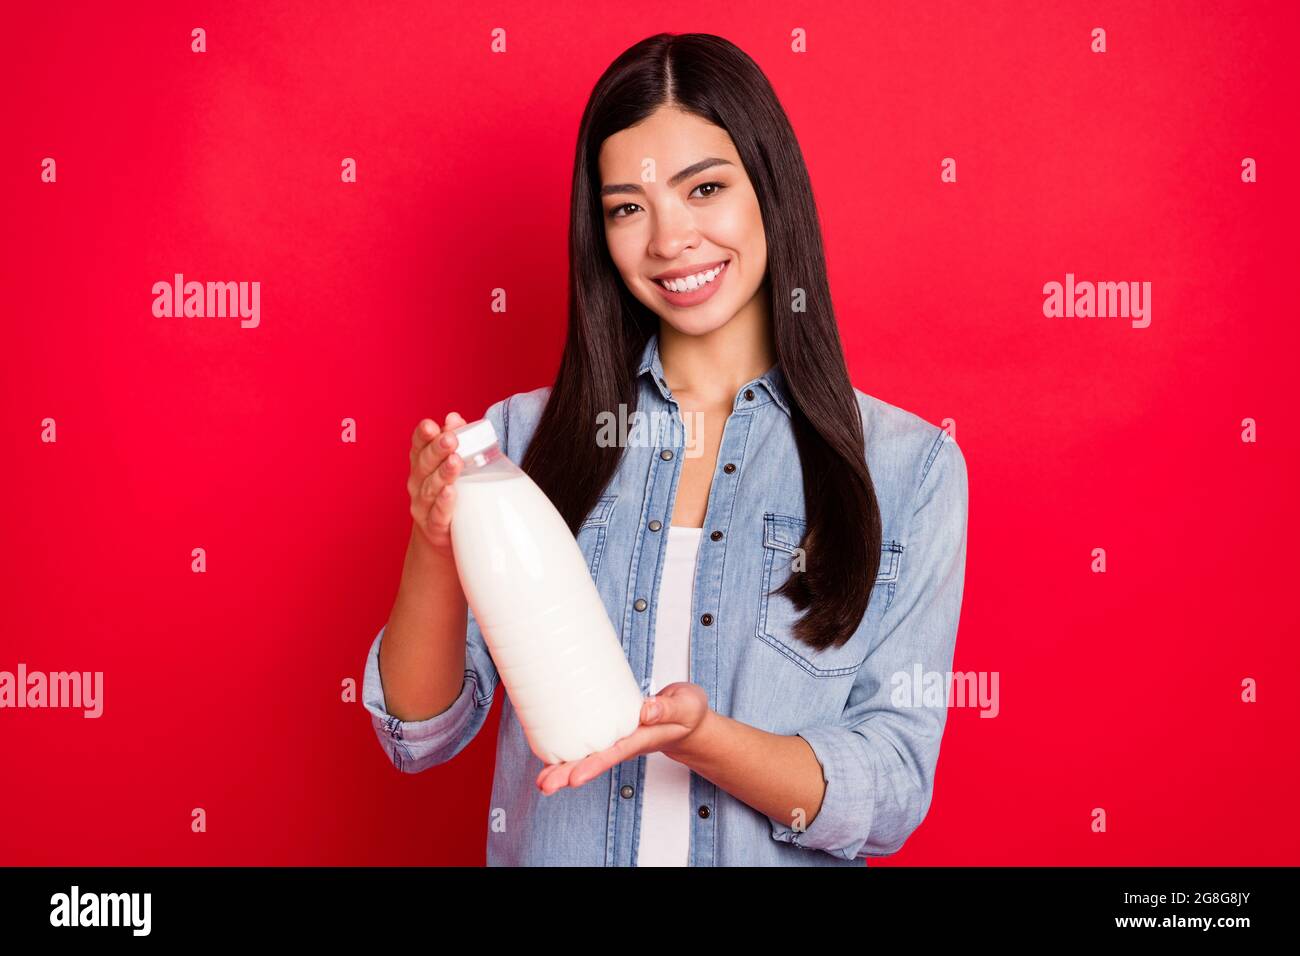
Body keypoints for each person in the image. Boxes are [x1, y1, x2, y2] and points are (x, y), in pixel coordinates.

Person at [362, 32, 969, 866]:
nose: (668, 240)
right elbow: (419, 735)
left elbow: (892, 788)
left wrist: (703, 739)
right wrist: (433, 544)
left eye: (705, 189)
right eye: (627, 207)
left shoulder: (908, 469)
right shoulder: (520, 444)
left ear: (769, 190)